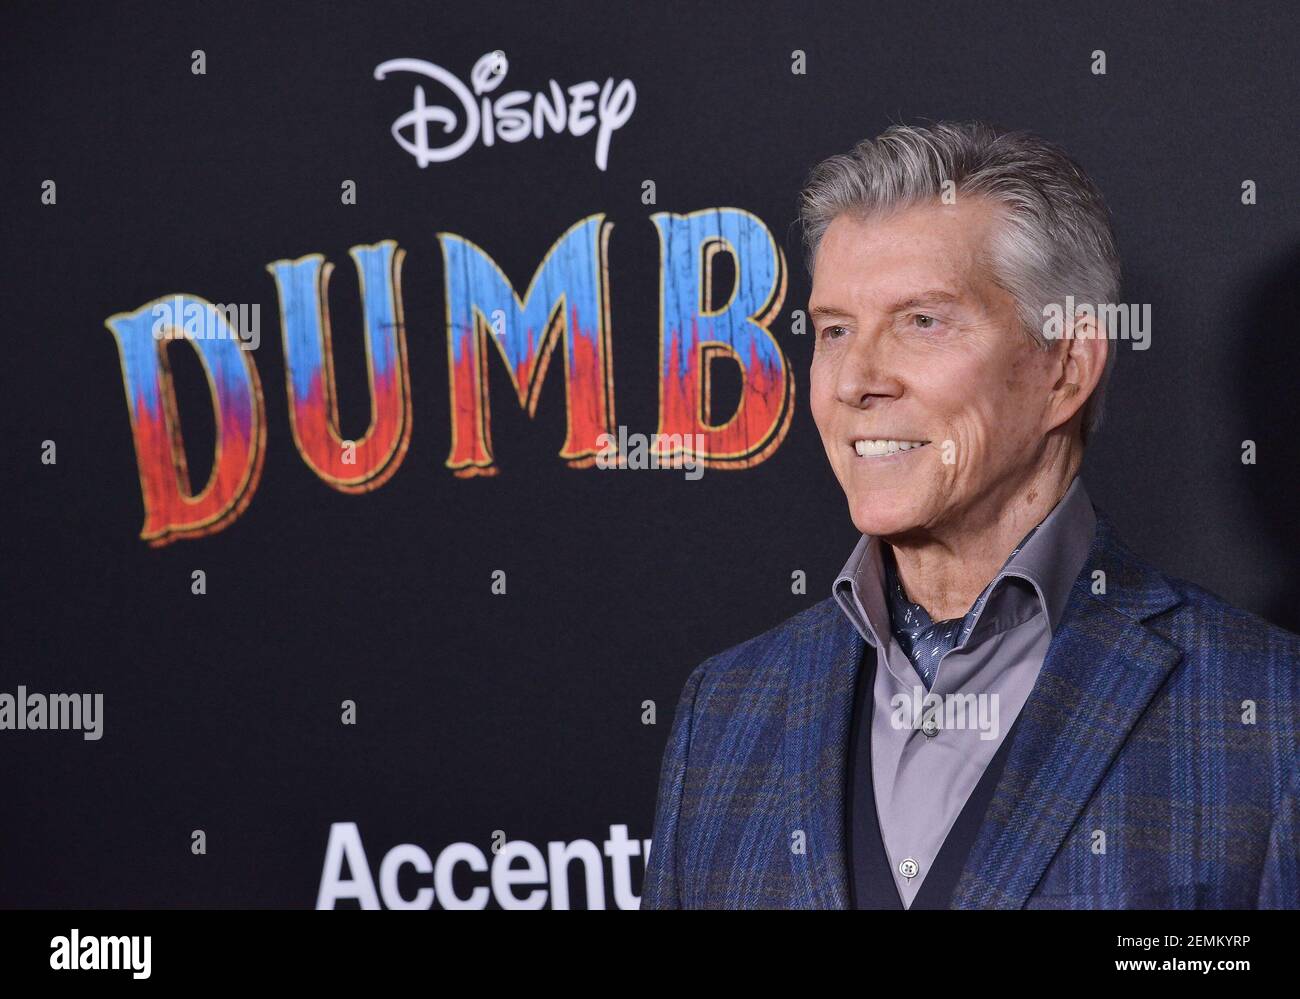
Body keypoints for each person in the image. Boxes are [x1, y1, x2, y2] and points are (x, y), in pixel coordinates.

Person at [641, 122, 1300, 909]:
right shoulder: (726, 712)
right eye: (834, 330)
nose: (857, 379)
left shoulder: (1267, 714)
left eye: (923, 320)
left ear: (1065, 368)